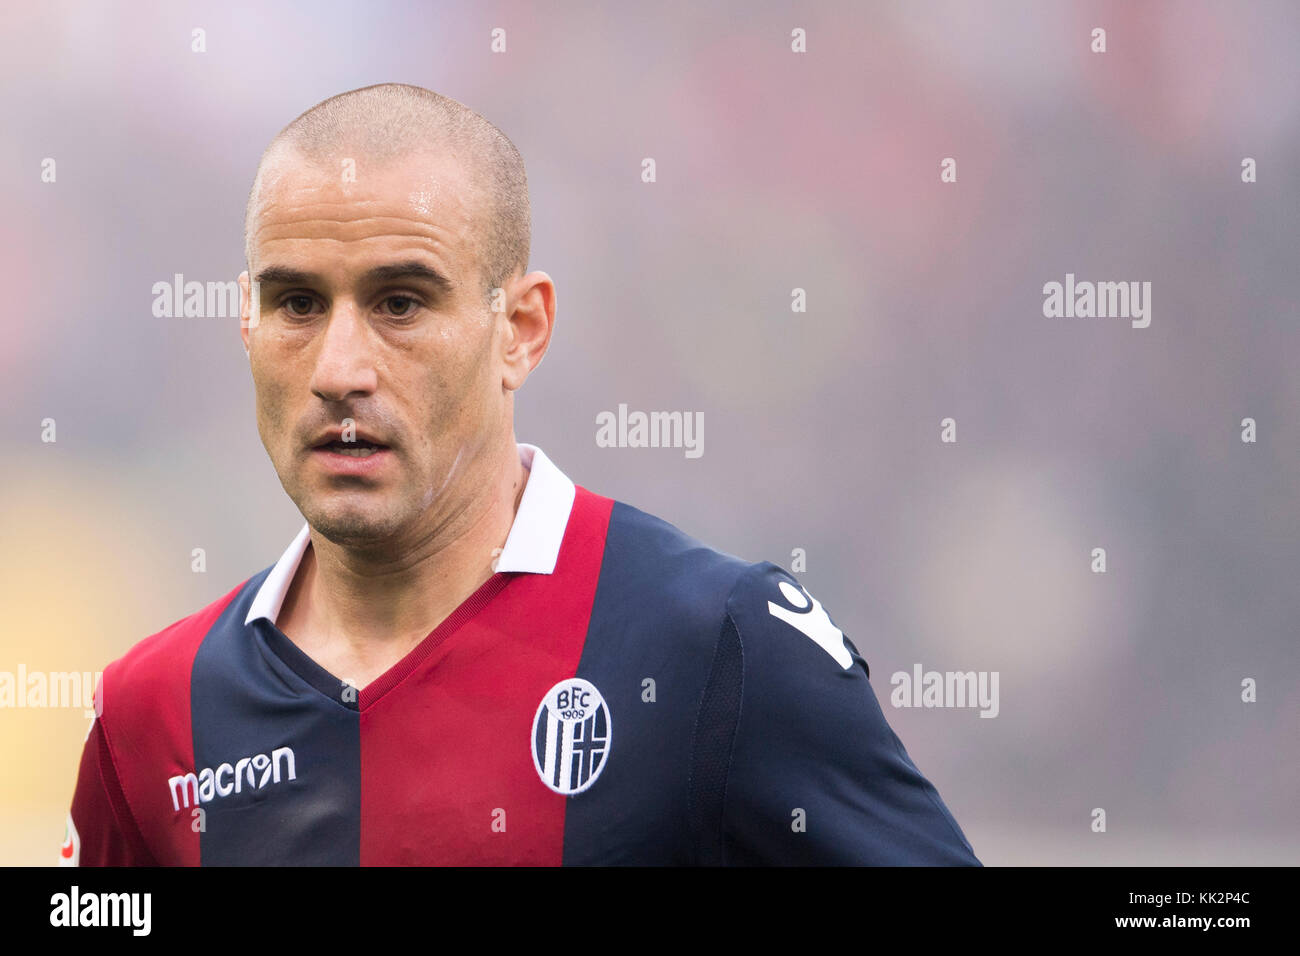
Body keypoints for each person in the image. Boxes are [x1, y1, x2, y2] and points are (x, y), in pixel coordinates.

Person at [63, 83, 980, 866]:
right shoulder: (151, 714)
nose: (339, 367)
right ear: (247, 326)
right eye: (296, 302)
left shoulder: (718, 648)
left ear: (521, 330)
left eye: (400, 303)